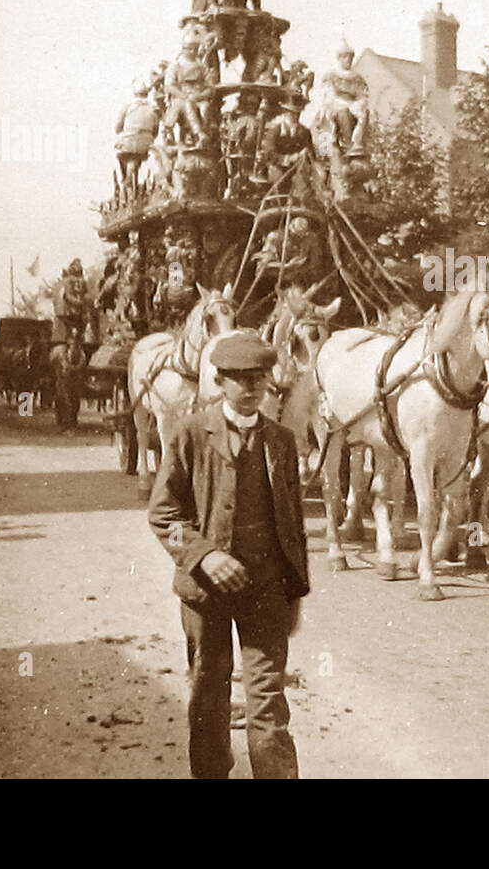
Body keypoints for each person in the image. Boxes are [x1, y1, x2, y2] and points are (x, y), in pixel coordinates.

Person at [148, 331, 309, 779]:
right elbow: (163, 515)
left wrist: (294, 594)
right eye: (239, 378)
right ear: (219, 381)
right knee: (208, 696)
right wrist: (203, 556)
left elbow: (293, 527)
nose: (252, 387)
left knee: (269, 703)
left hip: (266, 593)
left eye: (259, 377)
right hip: (205, 594)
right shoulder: (190, 434)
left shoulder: (281, 441)